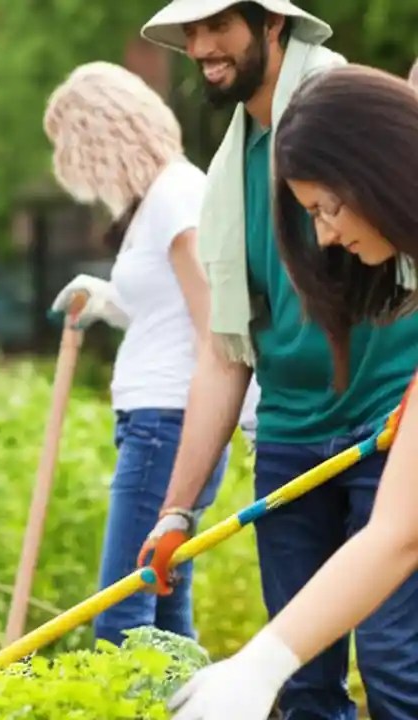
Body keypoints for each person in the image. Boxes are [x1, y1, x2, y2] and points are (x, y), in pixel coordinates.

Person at [138, 2, 418, 717]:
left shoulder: (338, 111)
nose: (319, 237)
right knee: (310, 682)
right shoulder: (237, 162)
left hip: (378, 426)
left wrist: (259, 664)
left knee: (395, 659)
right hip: (295, 437)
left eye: (325, 209)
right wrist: (264, 665)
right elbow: (395, 535)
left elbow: (397, 536)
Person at [43, 61, 232, 645]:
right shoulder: (160, 199)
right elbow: (165, 308)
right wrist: (102, 299)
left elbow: (213, 327)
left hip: (167, 424)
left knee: (122, 614)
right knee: (165, 621)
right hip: (155, 421)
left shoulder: (176, 197)